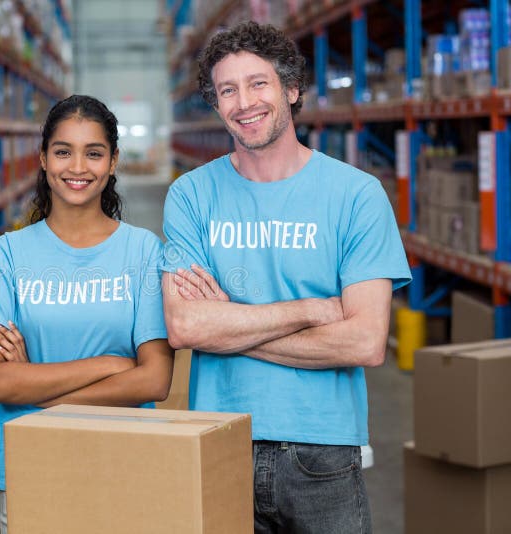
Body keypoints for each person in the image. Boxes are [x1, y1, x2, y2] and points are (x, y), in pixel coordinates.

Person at [160, 21, 411, 533]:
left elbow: (365, 341)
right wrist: (310, 311)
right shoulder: (190, 196)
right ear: (215, 103)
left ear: (292, 89)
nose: (244, 102)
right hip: (219, 438)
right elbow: (185, 328)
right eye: (228, 90)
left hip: (323, 450)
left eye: (258, 83)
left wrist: (227, 326)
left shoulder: (356, 196)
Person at [0, 94, 174, 533]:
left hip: (126, 463)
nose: (78, 167)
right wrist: (108, 366)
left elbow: (154, 379)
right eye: (63, 151)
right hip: (34, 465)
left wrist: (36, 389)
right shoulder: (6, 255)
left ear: (114, 161)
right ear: (44, 159)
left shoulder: (143, 251)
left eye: (94, 153)